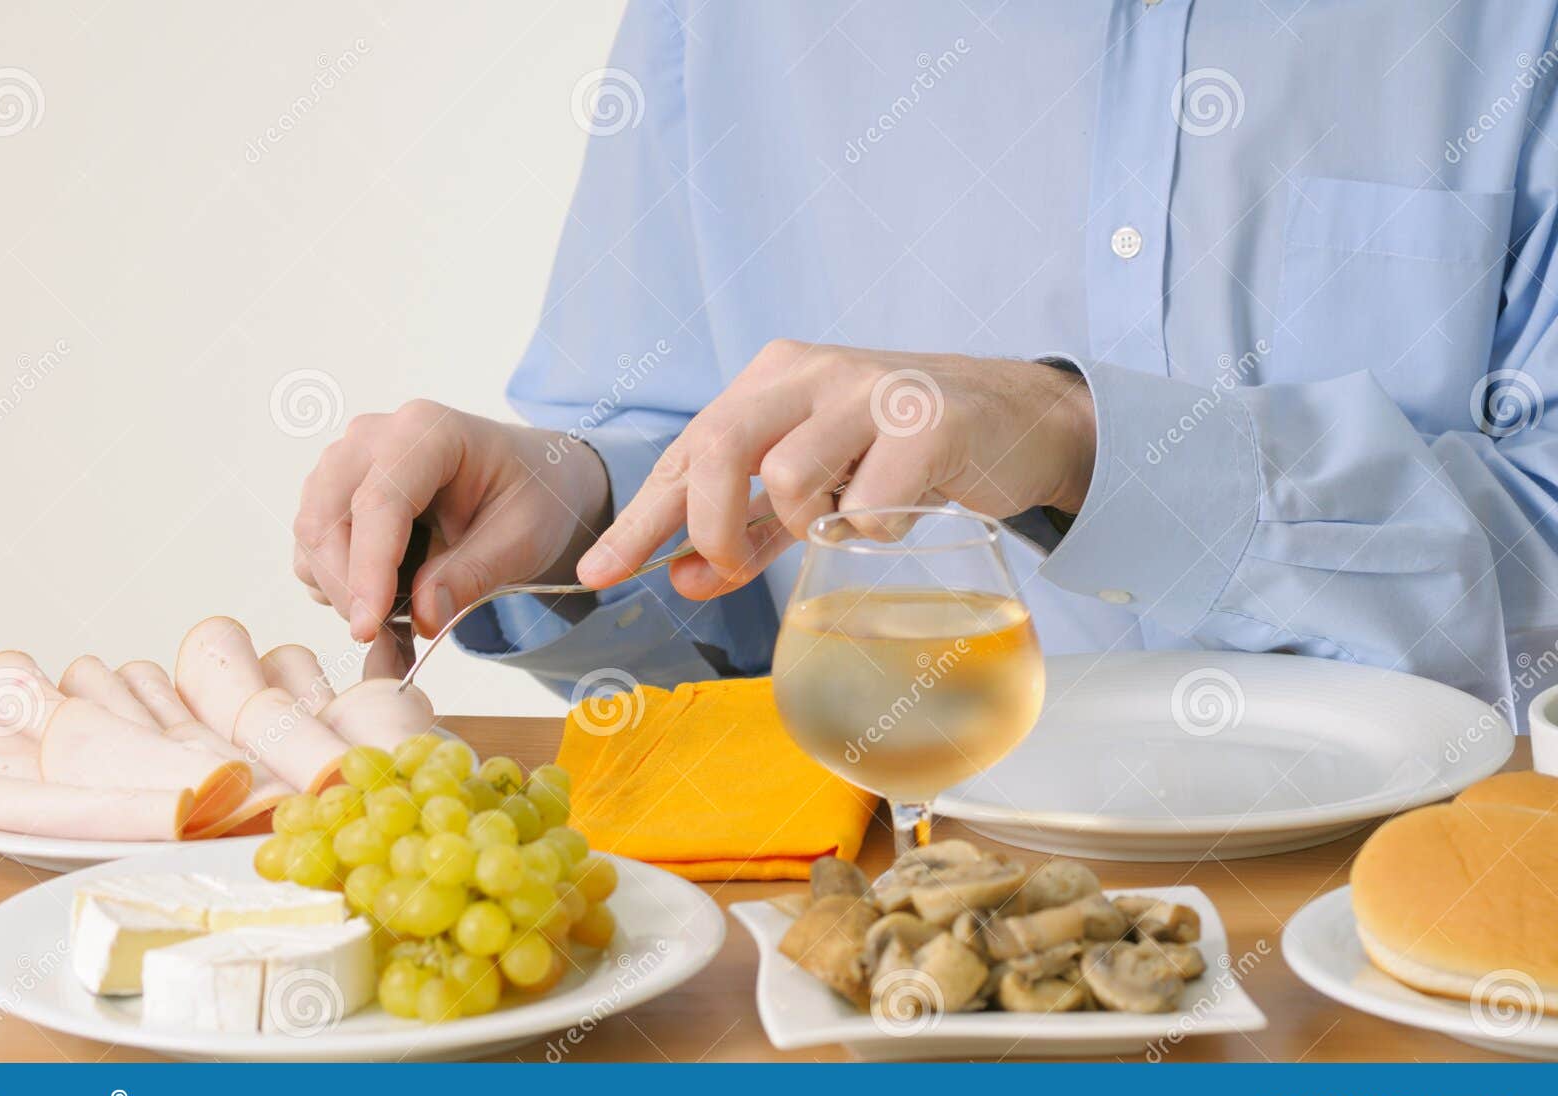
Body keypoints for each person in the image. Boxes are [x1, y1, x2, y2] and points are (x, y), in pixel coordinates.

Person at [293, 1, 1558, 725]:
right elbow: (718, 542)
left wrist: (1078, 441)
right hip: (878, 951)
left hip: (1394, 967)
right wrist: (572, 508)